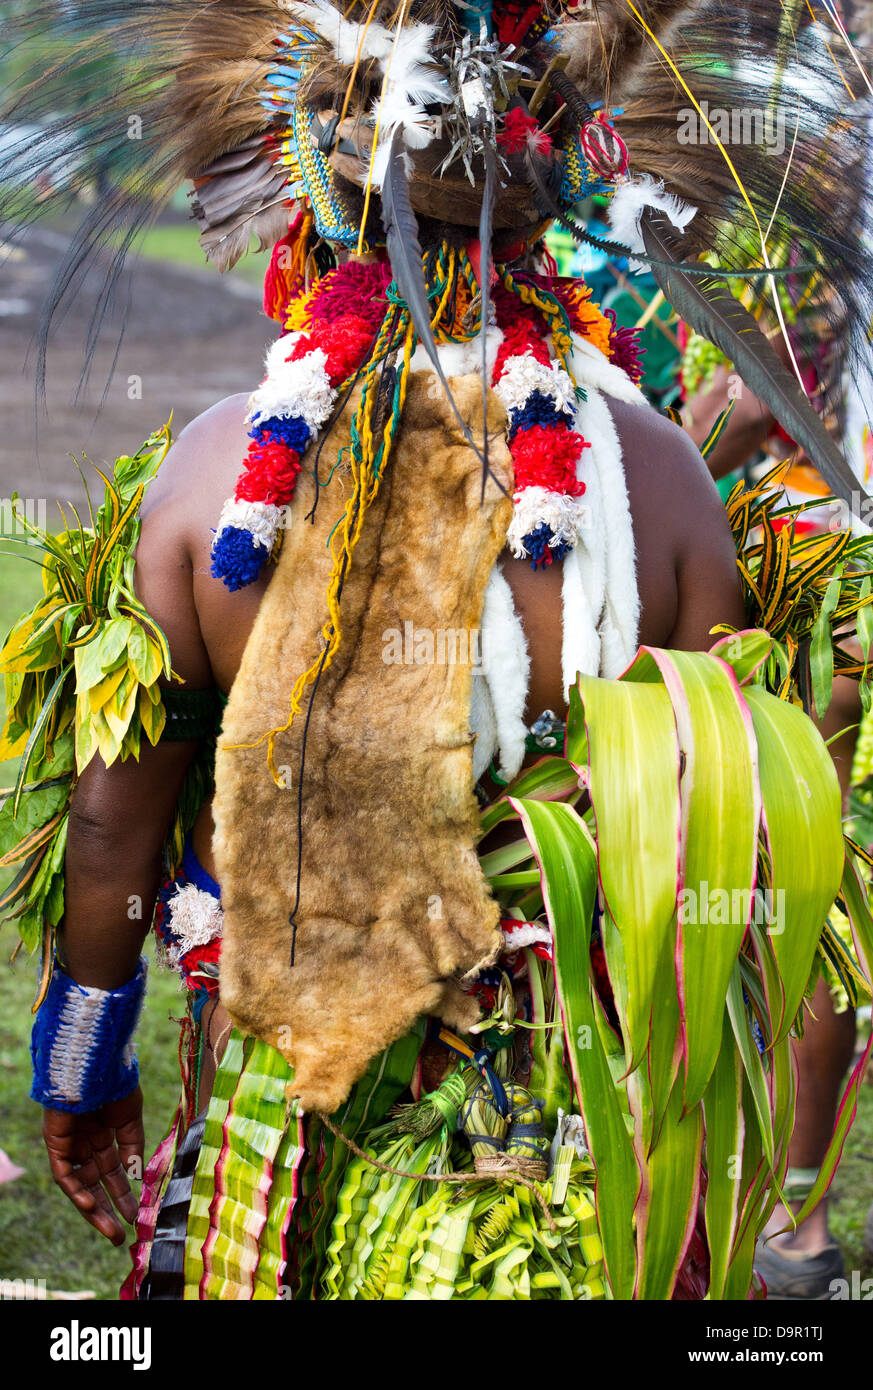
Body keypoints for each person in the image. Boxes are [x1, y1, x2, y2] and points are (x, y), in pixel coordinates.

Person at [5, 0, 873, 1300]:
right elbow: (730, 848)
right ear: (558, 193)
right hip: (589, 1143)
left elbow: (115, 835)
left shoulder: (209, 481)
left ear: (323, 189)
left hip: (286, 1122)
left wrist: (83, 1069)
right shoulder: (665, 486)